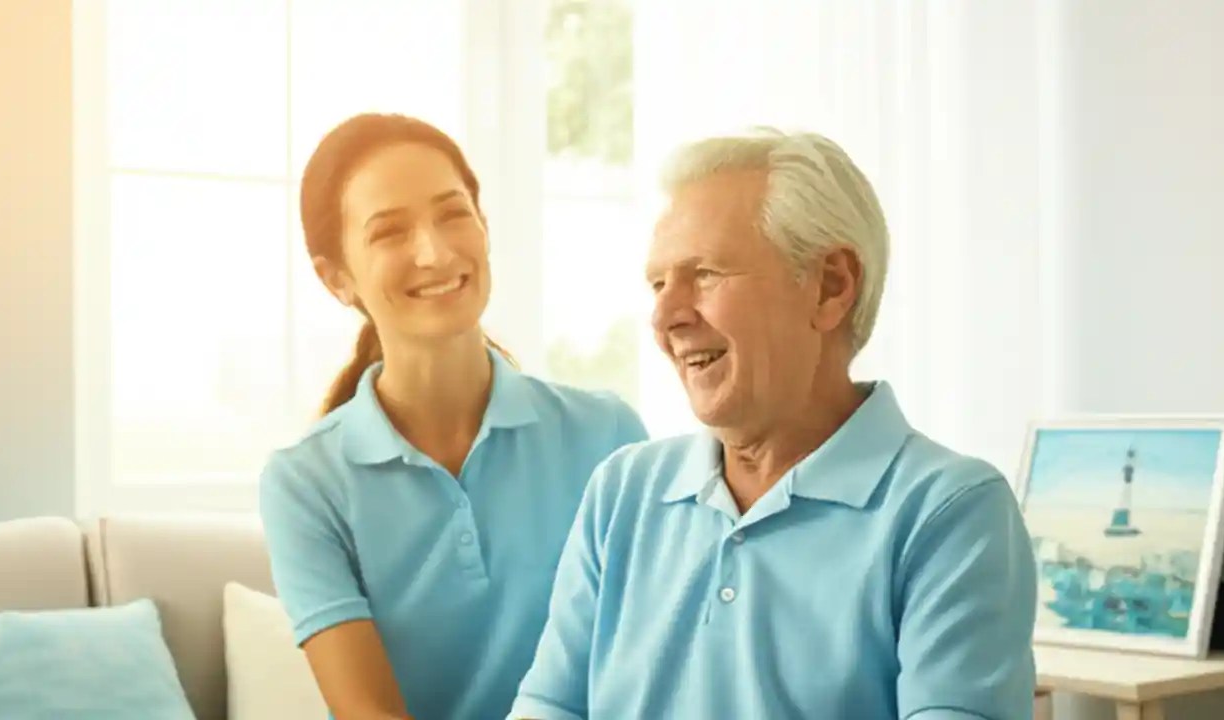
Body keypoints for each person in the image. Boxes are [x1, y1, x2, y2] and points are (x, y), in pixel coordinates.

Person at [510, 128, 1037, 719]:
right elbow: (550, 705)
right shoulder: (623, 492)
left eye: (705, 274)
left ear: (831, 287)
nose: (665, 316)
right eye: (658, 284)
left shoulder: (950, 513)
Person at [258, 113, 647, 720]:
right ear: (336, 278)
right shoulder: (305, 484)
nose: (434, 252)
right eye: (389, 232)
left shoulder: (609, 436)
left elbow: (653, 669)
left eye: (453, 214)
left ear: (484, 226)